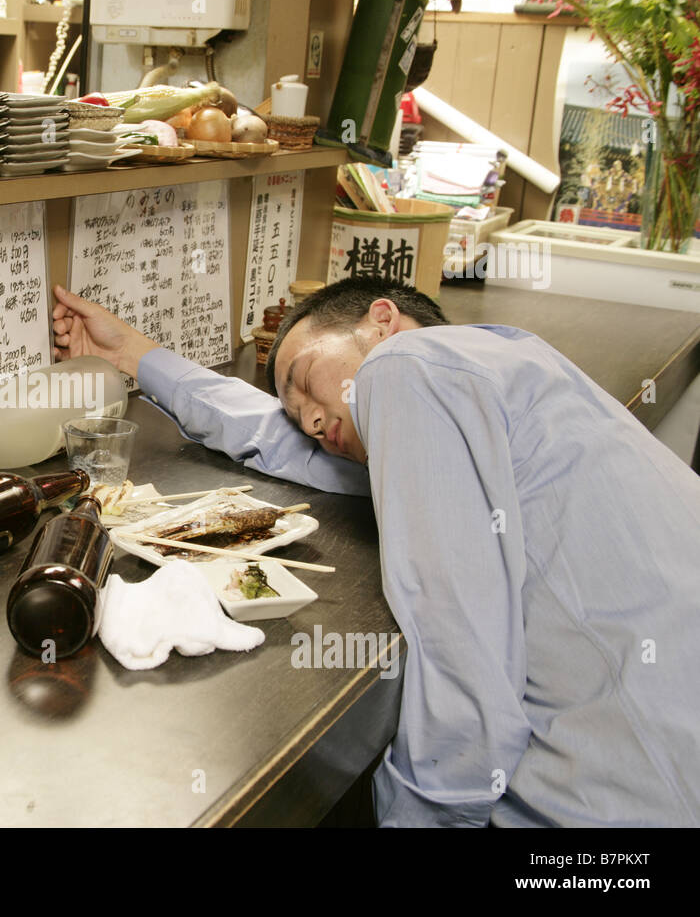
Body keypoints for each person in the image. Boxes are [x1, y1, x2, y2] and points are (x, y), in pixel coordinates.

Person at [51, 279, 700, 827]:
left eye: (304, 378)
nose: (307, 420)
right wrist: (137, 355)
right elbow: (282, 440)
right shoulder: (498, 372)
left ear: (382, 322)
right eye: (297, 410)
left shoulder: (408, 367)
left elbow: (465, 672)